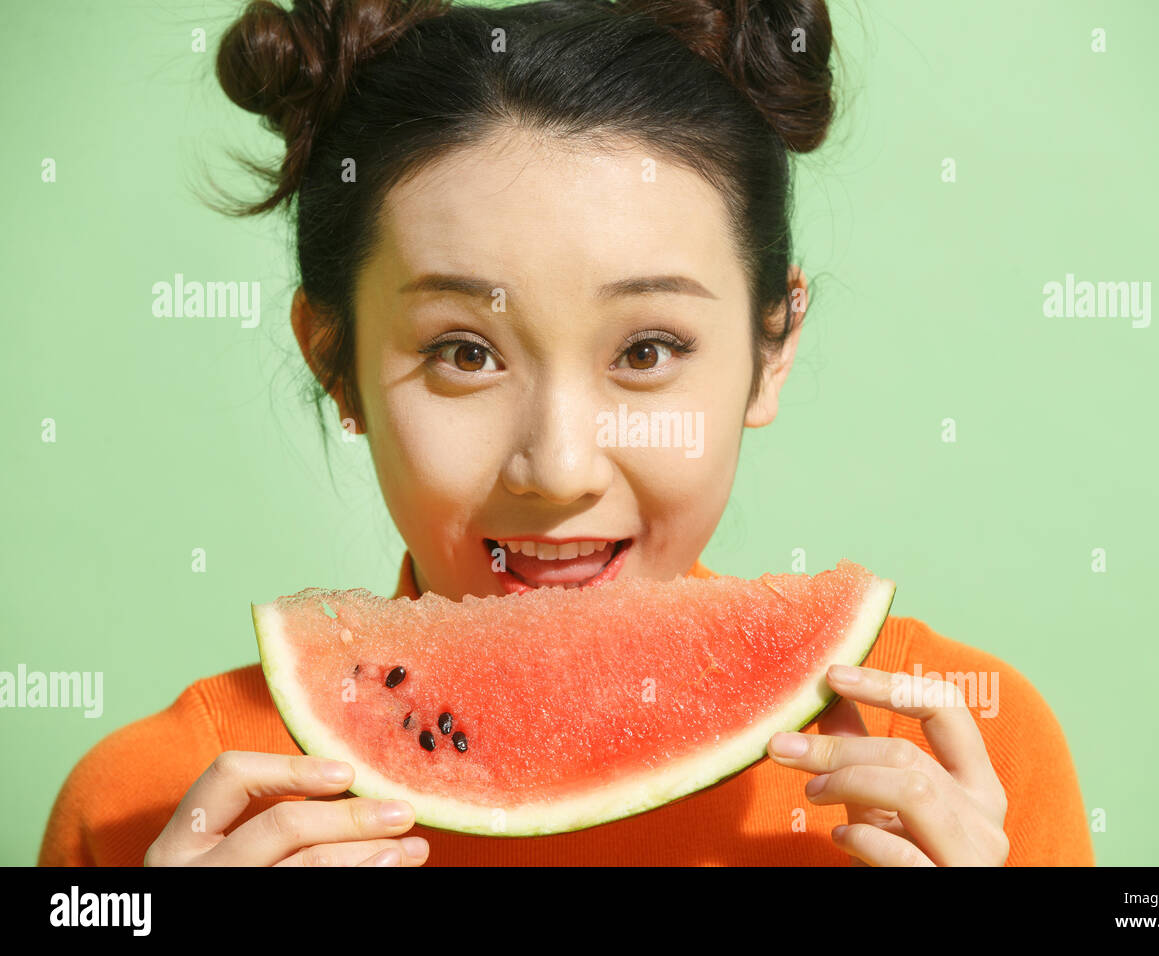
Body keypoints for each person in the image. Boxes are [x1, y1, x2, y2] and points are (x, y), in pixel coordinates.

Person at [38, 0, 1093, 866]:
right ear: (334, 359)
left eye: (645, 351)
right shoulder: (149, 807)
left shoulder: (954, 754)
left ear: (773, 345)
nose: (559, 467)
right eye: (463, 351)